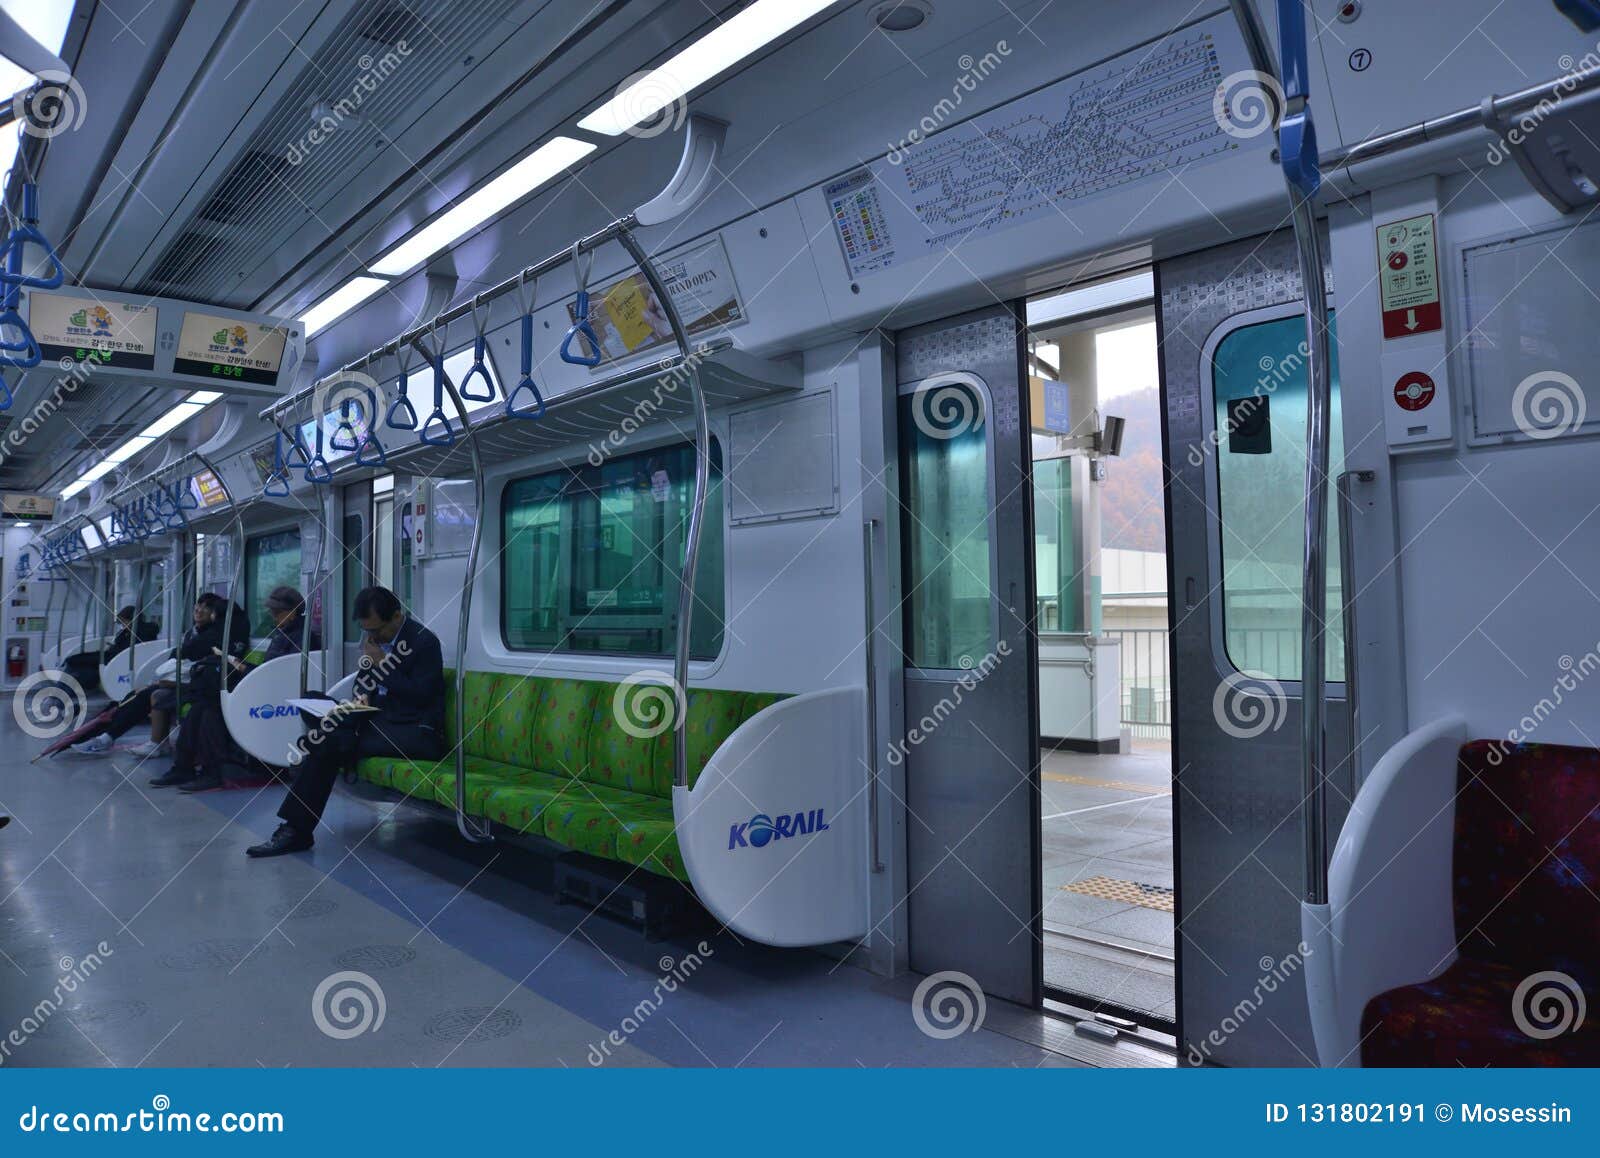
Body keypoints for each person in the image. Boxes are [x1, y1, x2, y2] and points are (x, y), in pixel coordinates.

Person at [247, 586, 443, 857]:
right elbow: (363, 681)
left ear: (397, 617)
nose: (372, 637)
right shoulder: (376, 640)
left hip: (415, 730)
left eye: (376, 630)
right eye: (366, 631)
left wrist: (383, 664)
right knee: (311, 701)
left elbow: (420, 696)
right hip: (376, 718)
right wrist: (362, 695)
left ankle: (296, 831)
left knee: (326, 742)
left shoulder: (424, 643)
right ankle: (337, 741)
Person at [150, 586, 321, 792]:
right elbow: (271, 669)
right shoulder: (283, 634)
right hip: (263, 685)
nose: (273, 616)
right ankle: (183, 767)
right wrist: (242, 665)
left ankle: (213, 772)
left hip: (277, 695)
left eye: (277, 612)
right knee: (200, 707)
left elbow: (285, 673)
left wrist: (243, 668)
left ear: (292, 612)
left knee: (211, 711)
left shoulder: (302, 637)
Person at [70, 594, 248, 756]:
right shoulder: (197, 633)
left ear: (215, 615)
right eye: (198, 605)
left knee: (150, 695)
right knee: (133, 697)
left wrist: (163, 683)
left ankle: (109, 738)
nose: (199, 610)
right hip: (188, 680)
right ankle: (104, 736)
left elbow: (188, 659)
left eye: (207, 608)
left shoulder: (213, 637)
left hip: (198, 685)